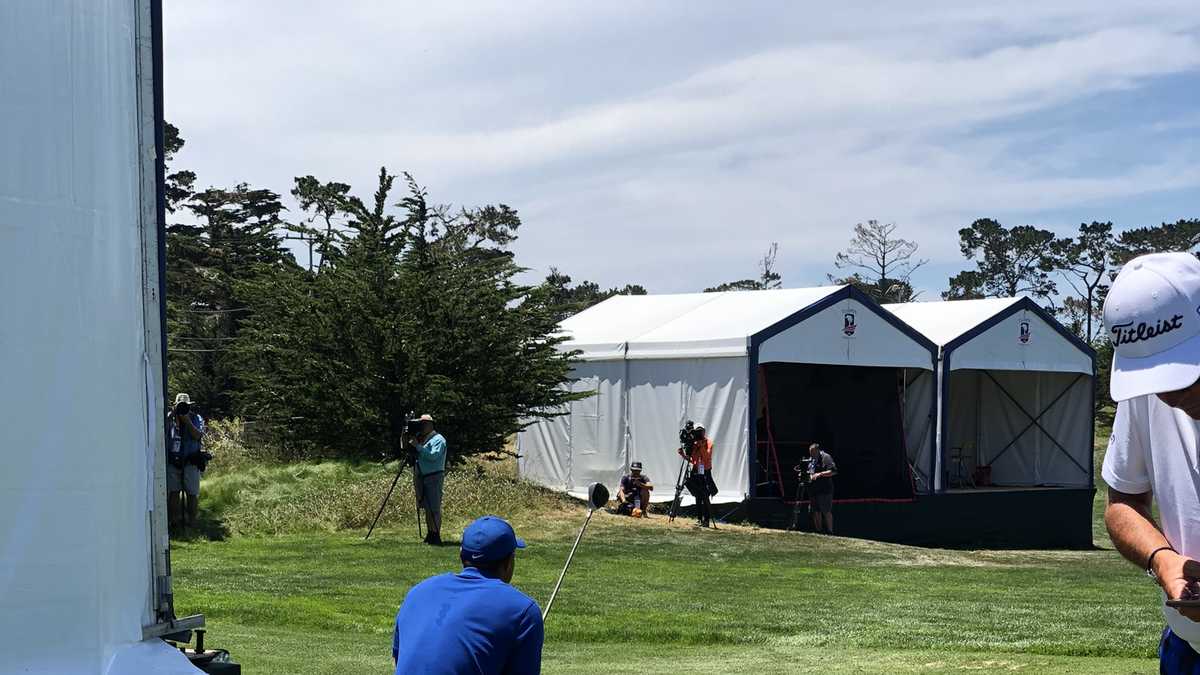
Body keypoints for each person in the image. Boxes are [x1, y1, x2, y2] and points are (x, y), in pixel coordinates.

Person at [1100, 251, 1200, 673]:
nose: (1165, 395)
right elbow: (1122, 502)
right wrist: (1162, 560)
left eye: (1178, 373)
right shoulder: (1146, 389)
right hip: (1188, 647)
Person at [392, 516, 543, 674]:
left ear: (461, 555)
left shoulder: (418, 592)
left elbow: (400, 660)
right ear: (508, 562)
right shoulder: (522, 610)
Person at [166, 393, 206, 529]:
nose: (183, 408)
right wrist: (172, 415)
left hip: (191, 460)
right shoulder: (170, 418)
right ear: (175, 405)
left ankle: (192, 523)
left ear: (190, 406)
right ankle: (174, 523)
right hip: (174, 460)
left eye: (185, 406)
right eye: (180, 406)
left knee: (192, 493)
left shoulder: (196, 418)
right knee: (174, 492)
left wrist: (187, 420)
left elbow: (198, 435)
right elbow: (161, 429)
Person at [406, 413, 446, 545]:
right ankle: (430, 533)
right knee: (427, 508)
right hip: (423, 475)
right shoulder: (423, 438)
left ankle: (436, 535)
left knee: (434, 507)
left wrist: (418, 446)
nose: (421, 427)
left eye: (423, 424)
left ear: (430, 425)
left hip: (434, 475)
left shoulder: (438, 439)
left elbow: (433, 456)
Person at [678, 423, 716, 527]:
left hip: (705, 471)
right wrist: (683, 455)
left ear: (704, 431)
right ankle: (699, 519)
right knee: (698, 496)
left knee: (705, 496)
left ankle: (706, 520)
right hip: (696, 470)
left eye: (701, 431)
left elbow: (706, 457)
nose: (700, 433)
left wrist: (701, 445)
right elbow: (693, 461)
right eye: (698, 431)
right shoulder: (694, 444)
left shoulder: (709, 443)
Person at [806, 443, 837, 534]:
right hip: (813, 489)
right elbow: (810, 471)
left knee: (826, 511)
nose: (811, 455)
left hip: (825, 490)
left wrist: (820, 474)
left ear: (817, 450)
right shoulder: (811, 459)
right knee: (816, 511)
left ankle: (830, 532)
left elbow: (833, 471)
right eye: (810, 453)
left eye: (813, 453)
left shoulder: (826, 457)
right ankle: (819, 531)